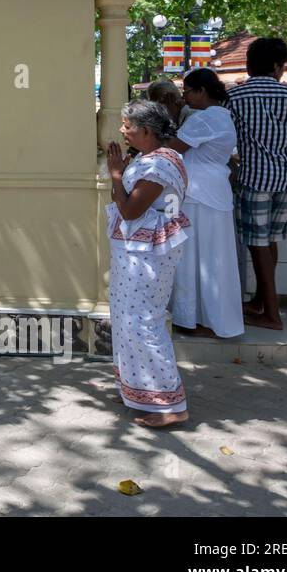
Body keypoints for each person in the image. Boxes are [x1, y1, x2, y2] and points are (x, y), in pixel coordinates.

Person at [105, 100, 191, 428]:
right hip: (136, 251)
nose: (122, 130)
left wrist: (116, 174)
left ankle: (171, 404)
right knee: (128, 320)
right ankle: (138, 390)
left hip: (147, 255)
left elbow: (130, 211)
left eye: (127, 126)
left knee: (143, 322)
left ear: (147, 130)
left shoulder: (160, 164)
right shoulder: (151, 159)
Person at [227, 37, 287, 330]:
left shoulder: (235, 98)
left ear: (250, 66)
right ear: (278, 66)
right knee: (269, 241)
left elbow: (229, 141)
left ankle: (271, 314)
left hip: (254, 177)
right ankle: (262, 304)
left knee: (257, 243)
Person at [167, 68, 242, 338]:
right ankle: (212, 316)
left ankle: (189, 318)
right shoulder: (222, 116)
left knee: (190, 256)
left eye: (187, 90)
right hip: (213, 191)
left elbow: (173, 148)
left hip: (198, 193)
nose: (184, 95)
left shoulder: (205, 119)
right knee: (213, 257)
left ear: (201, 91)